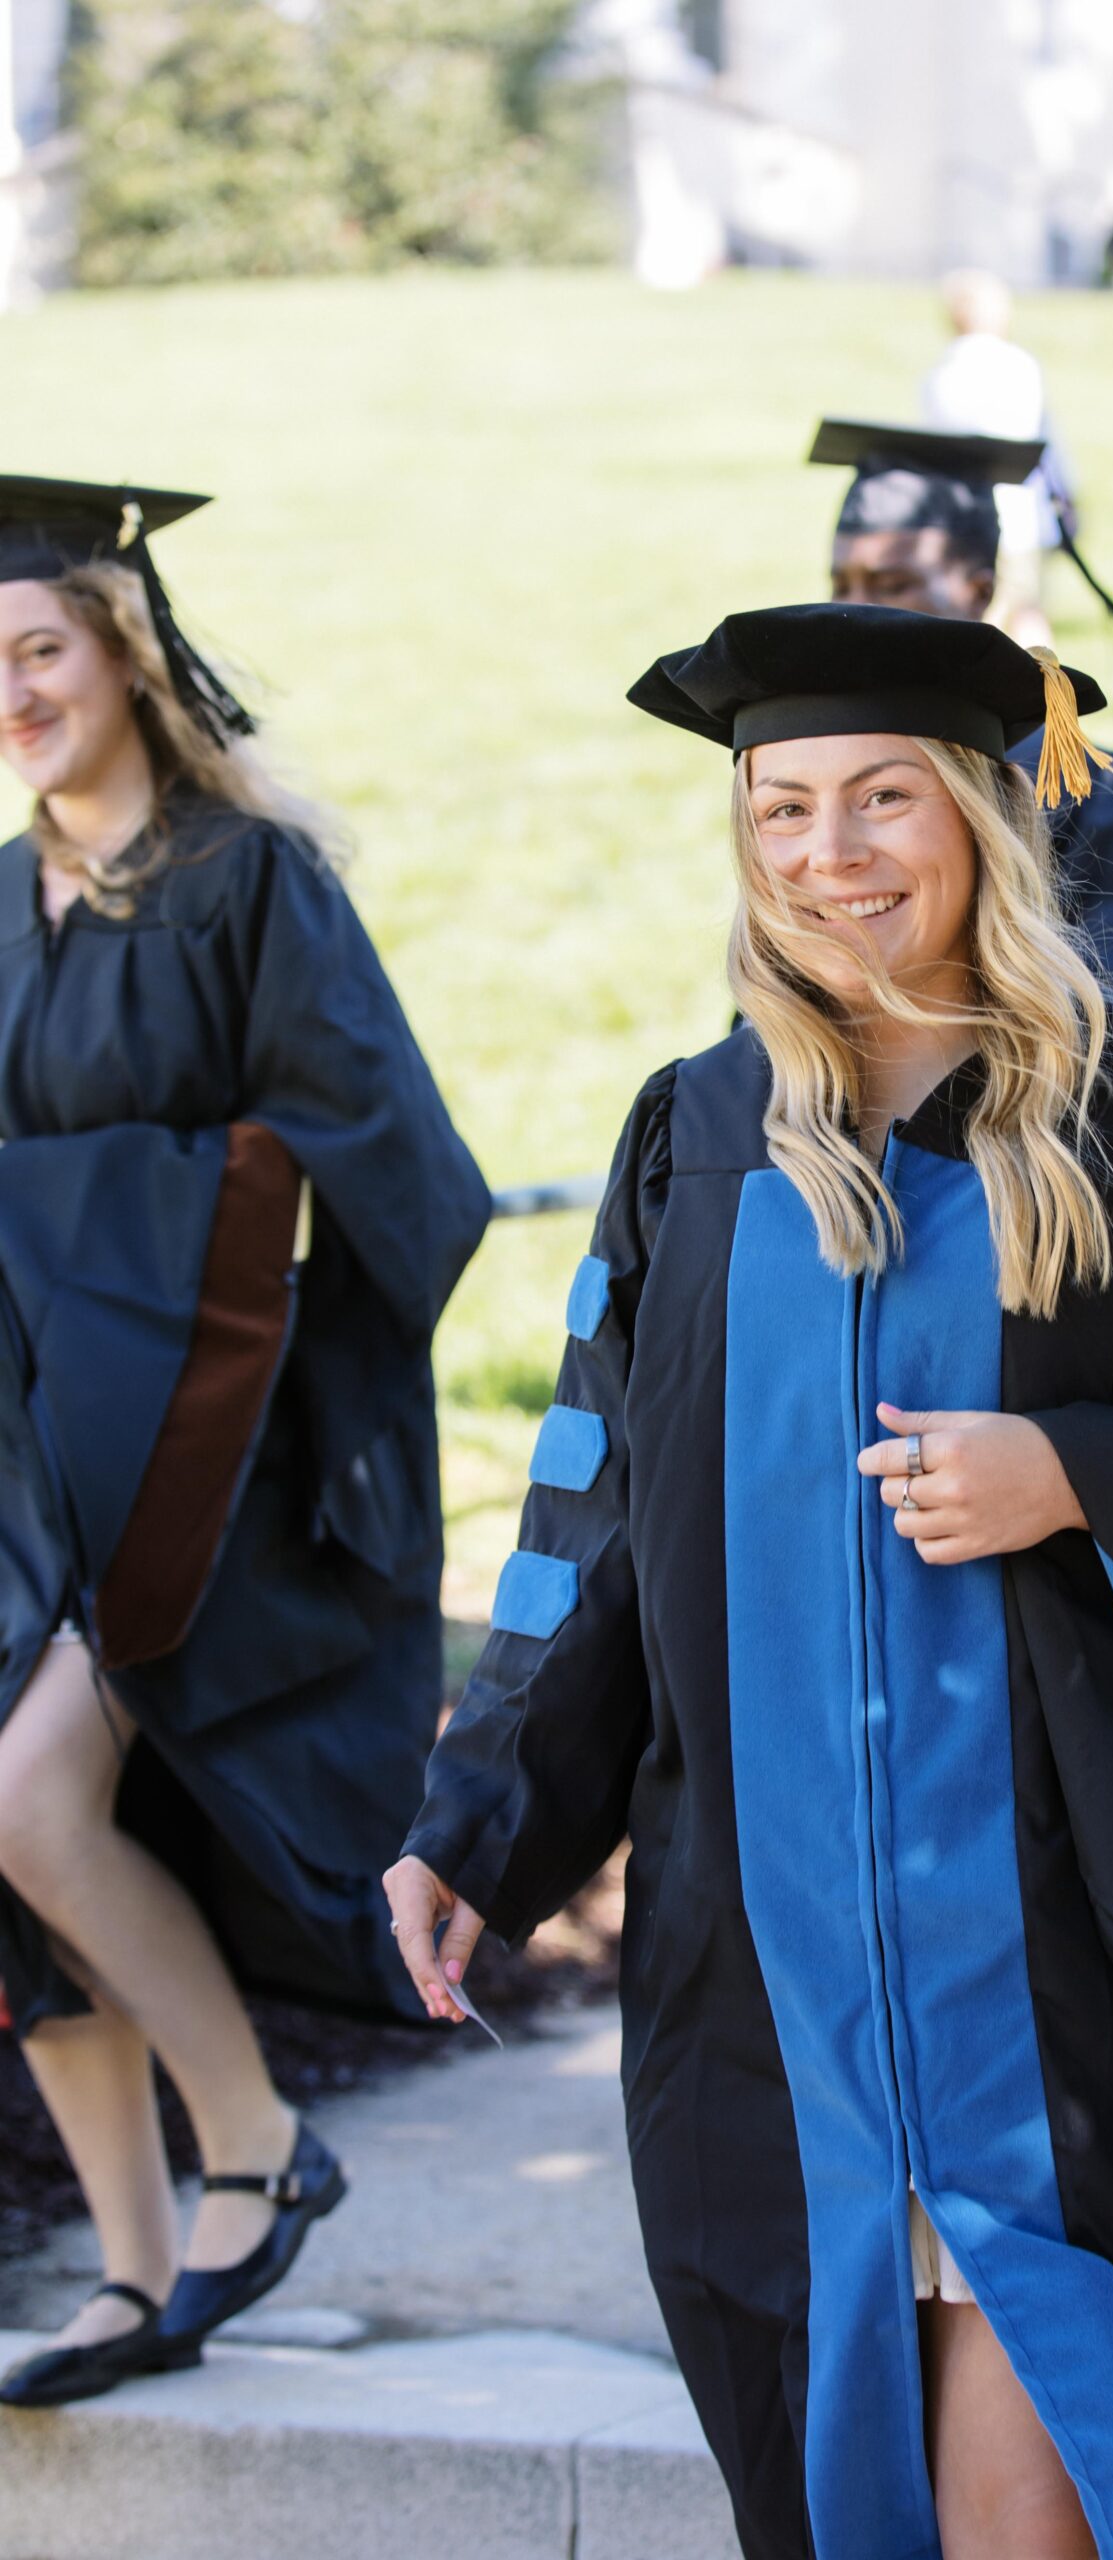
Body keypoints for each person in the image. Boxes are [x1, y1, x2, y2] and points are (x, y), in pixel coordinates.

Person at [386, 601, 1113, 2558]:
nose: (828, 852)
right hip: (771, 1967)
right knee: (828, 2476)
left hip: (1059, 1965)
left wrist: (1086, 1474)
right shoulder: (697, 1139)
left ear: (976, 811)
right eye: (780, 806)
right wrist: (478, 1819)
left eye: (881, 796)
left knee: (1033, 2479)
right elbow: (600, 1520)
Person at [0, 477, 488, 2409]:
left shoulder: (243, 883)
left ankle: (258, 2145)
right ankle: (129, 2269)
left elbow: (392, 1174)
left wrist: (102, 1218)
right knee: (13, 1838)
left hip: (218, 1445)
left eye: (41, 647)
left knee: (31, 1793)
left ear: (123, 647)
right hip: (28, 1447)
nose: (15, 690)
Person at [814, 416, 1113, 1009]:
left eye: (891, 582)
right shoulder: (815, 777)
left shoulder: (1085, 792)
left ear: (979, 592)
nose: (853, 613)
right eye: (841, 583)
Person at [919, 270, 1057, 649]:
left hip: (958, 518)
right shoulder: (1020, 366)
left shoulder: (939, 375)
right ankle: (1051, 703)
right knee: (1026, 614)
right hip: (1016, 515)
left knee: (978, 616)